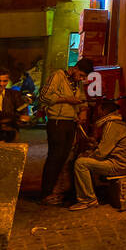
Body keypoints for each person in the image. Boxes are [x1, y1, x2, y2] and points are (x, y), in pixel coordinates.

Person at [40, 58, 94, 203]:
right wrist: (66, 99)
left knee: (64, 157)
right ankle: (46, 193)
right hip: (57, 121)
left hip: (71, 122)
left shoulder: (77, 82)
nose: (82, 79)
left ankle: (56, 191)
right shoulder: (58, 76)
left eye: (84, 77)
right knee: (55, 157)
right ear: (75, 68)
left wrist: (83, 111)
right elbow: (44, 96)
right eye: (81, 75)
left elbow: (82, 99)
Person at [68, 99, 126, 211]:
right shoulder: (115, 124)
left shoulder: (112, 125)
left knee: (80, 163)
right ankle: (89, 193)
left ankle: (88, 200)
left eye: (98, 111)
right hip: (120, 163)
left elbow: (101, 153)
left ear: (103, 111)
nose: (96, 114)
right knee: (84, 158)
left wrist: (87, 155)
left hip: (119, 165)